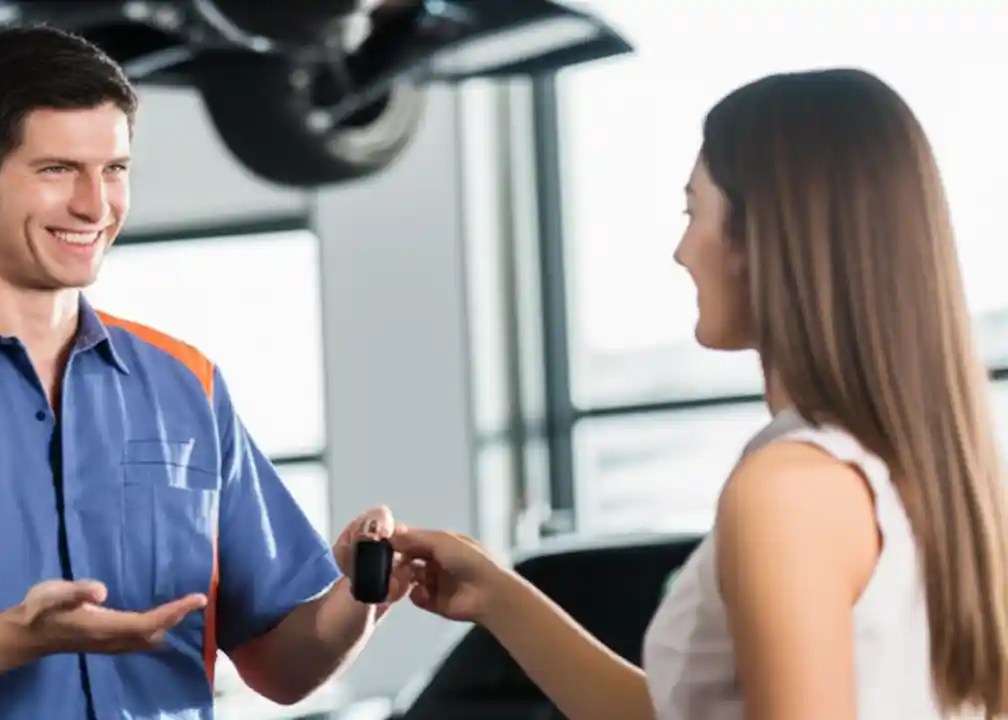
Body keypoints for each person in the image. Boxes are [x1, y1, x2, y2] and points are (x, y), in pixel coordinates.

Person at [0, 25, 414, 720]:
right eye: (58, 169)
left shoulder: (186, 385)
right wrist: (19, 639)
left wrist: (362, 598)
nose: (96, 206)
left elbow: (280, 667)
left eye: (115, 169)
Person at [391, 68, 1008, 720]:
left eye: (694, 213)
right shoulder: (932, 474)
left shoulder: (788, 488)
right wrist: (499, 596)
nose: (682, 252)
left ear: (762, 236)